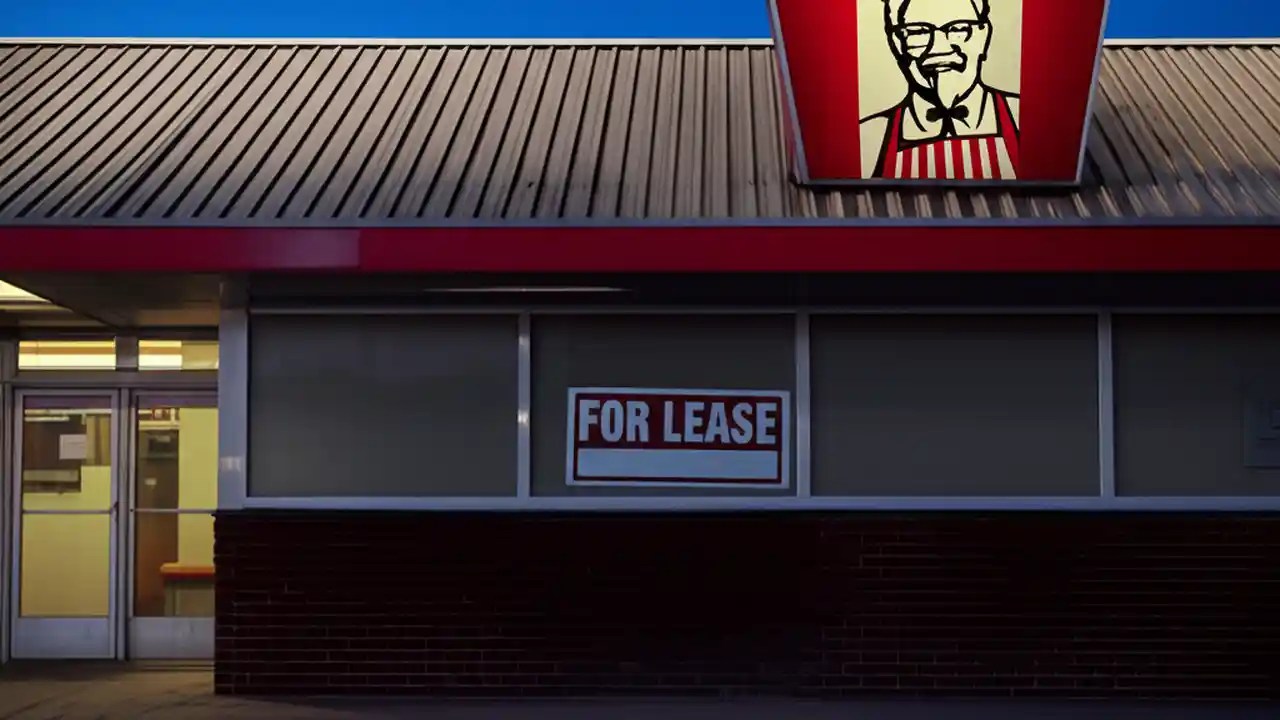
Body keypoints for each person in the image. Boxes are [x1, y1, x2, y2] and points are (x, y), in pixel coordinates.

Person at [860, 0, 1020, 180]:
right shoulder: (873, 136)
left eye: (958, 29)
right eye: (918, 32)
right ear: (897, 43)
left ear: (983, 36)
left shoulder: (1022, 117)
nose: (939, 48)